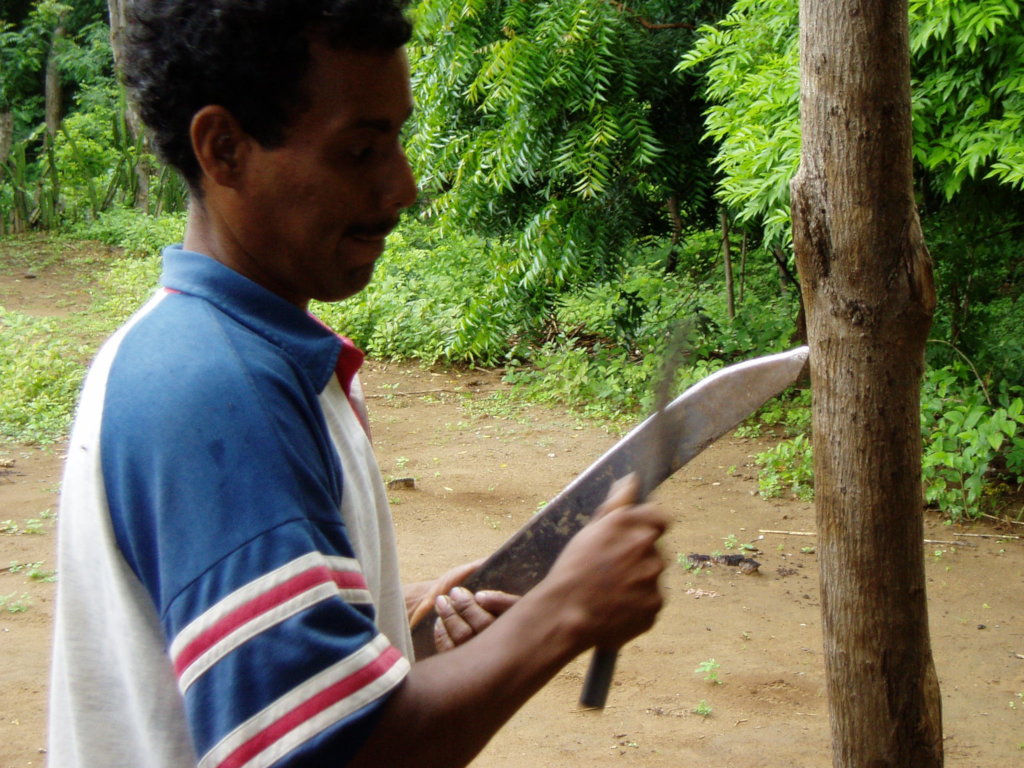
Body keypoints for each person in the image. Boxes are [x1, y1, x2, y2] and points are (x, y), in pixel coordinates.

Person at [48, 1, 669, 766]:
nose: (401, 186)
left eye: (397, 139)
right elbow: (326, 757)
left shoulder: (211, 353)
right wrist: (565, 612)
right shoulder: (216, 393)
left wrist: (383, 634)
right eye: (360, 150)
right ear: (225, 148)